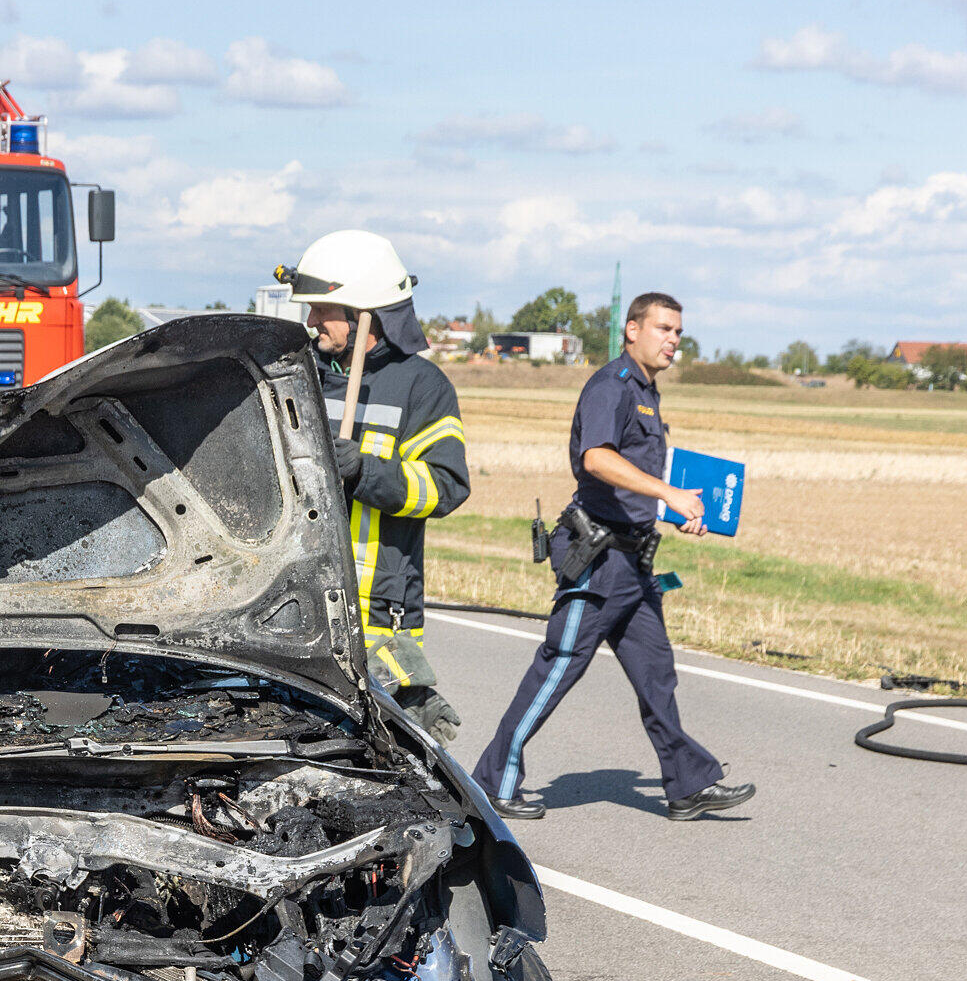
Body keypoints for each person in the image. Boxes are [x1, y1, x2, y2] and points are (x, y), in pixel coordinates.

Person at [470, 292, 754, 822]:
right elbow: (596, 459)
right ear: (632, 330)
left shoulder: (647, 394)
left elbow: (635, 475)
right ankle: (493, 782)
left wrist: (675, 505)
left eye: (678, 332)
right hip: (599, 559)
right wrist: (666, 492)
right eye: (663, 328)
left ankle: (687, 785)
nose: (672, 340)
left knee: (657, 675)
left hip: (636, 563)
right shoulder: (612, 386)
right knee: (558, 668)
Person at [279, 230, 470, 743]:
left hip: (378, 602)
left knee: (380, 741)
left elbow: (446, 486)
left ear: (366, 314)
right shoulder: (297, 379)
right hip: (299, 589)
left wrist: (365, 472)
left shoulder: (421, 387)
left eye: (323, 309)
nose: (312, 322)